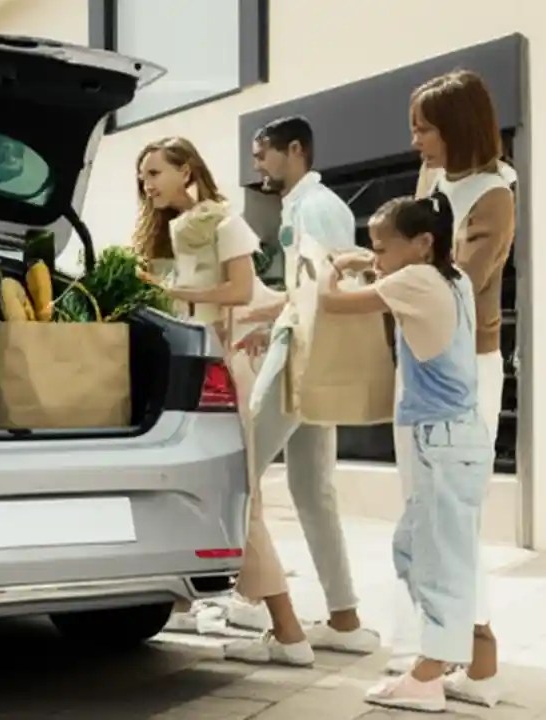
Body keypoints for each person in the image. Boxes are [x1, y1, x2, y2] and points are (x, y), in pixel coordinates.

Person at [132, 137, 315, 666]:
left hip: (222, 368)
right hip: (191, 366)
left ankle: (288, 631)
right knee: (220, 492)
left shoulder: (225, 222)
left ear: (186, 170)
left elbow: (239, 292)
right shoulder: (174, 228)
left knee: (241, 496)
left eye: (155, 173)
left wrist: (172, 294)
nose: (147, 184)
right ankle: (261, 621)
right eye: (143, 177)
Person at [213, 116, 379, 658]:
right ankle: (345, 619)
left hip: (302, 356)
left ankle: (257, 605)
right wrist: (267, 321)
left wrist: (259, 318)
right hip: (303, 352)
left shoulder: (318, 207)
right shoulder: (303, 206)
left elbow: (320, 290)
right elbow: (303, 291)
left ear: (295, 150)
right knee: (313, 490)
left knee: (239, 469)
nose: (256, 163)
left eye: (263, 153)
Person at [321, 193, 492, 713]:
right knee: (428, 552)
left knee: (434, 559)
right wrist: (366, 260)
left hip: (438, 440)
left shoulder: (412, 280)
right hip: (460, 436)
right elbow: (382, 278)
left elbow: (334, 304)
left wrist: (332, 269)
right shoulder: (452, 278)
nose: (376, 256)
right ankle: (473, 665)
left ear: (422, 243)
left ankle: (428, 675)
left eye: (381, 247)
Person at [380, 69, 515, 706]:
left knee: (448, 517)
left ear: (457, 128)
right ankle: (451, 654)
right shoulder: (437, 181)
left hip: (464, 372)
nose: (415, 141)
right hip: (423, 364)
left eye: (425, 128)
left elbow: (449, 280)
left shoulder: (494, 193)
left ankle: (463, 660)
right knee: (425, 515)